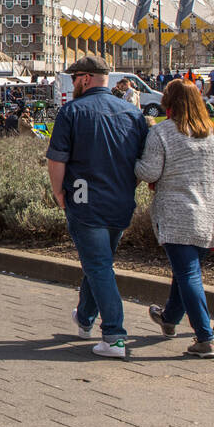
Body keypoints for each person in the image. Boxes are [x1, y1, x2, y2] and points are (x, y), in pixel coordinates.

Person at [47, 56, 148, 359]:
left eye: (75, 77)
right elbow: (144, 163)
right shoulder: (133, 113)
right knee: (99, 262)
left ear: (86, 78)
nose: (73, 82)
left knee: (99, 265)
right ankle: (85, 318)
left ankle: (115, 335)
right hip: (120, 200)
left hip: (84, 200)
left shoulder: (72, 111)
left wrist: (58, 193)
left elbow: (57, 159)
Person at [135, 79, 214, 359]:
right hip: (211, 216)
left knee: (188, 274)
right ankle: (169, 318)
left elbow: (149, 172)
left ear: (168, 104)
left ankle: (204, 337)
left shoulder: (162, 133)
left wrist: (129, 160)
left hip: (176, 215)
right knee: (186, 271)